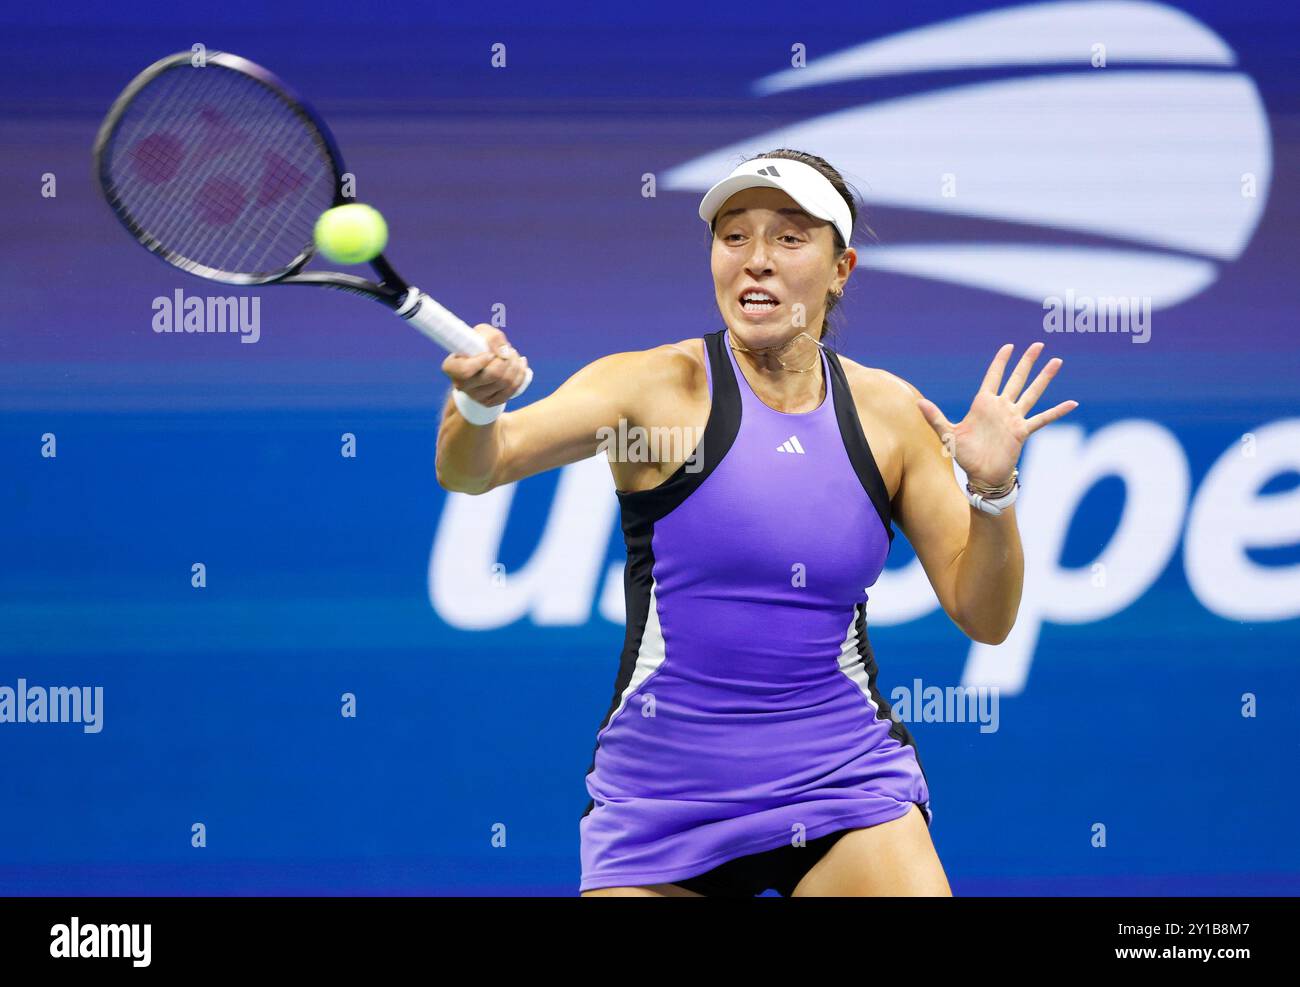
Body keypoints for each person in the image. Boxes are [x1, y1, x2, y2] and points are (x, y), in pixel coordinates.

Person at [435, 148, 1077, 896]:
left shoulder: (891, 414)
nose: (756, 261)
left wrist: (993, 491)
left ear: (842, 269)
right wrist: (479, 404)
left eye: (790, 238)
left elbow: (986, 615)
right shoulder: (654, 390)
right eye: (734, 236)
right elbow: (475, 466)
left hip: (844, 785)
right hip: (662, 799)